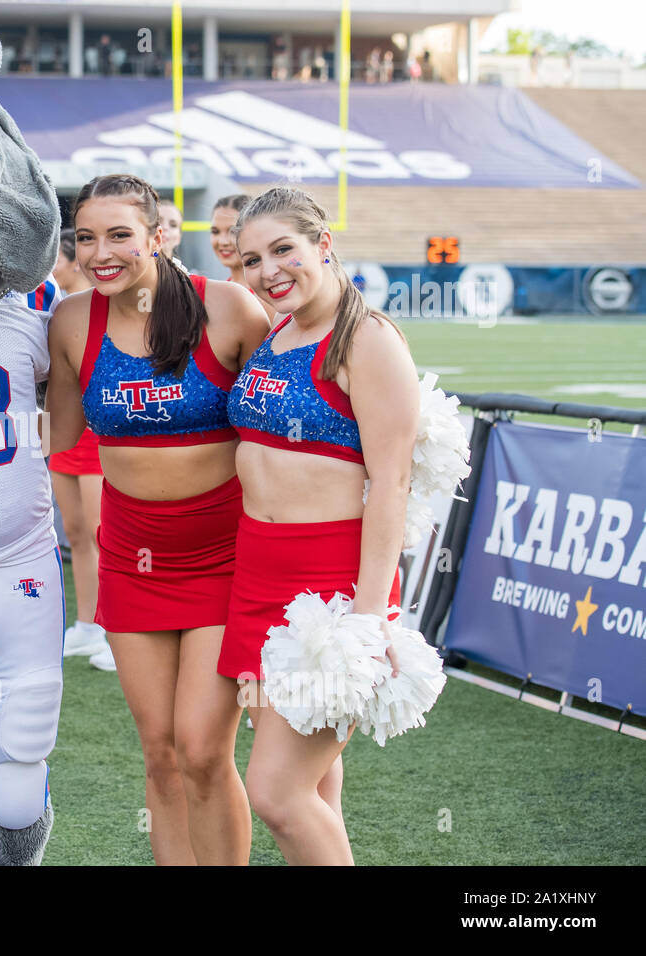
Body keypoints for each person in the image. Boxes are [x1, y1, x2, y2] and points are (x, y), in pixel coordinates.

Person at [46, 174, 270, 865]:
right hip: (133, 558)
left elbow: (283, 424)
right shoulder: (71, 320)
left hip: (226, 556)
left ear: (159, 235)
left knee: (204, 751)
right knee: (162, 753)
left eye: (119, 235)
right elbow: (57, 438)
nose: (100, 252)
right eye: (86, 238)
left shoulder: (228, 308)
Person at [222, 186, 417, 865]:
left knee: (276, 791)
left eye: (284, 250)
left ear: (323, 244)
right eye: (251, 259)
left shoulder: (368, 339)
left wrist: (368, 621)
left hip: (328, 589)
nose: (269, 271)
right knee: (316, 780)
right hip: (259, 577)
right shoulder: (280, 331)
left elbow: (391, 484)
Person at [46, 228, 108, 664]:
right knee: (75, 533)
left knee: (103, 533)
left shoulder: (100, 306)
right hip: (63, 431)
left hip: (97, 434)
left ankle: (112, 626)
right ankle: (88, 624)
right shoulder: (56, 308)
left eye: (56, 259)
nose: (50, 268)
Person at [209, 194, 255, 290]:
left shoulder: (271, 295)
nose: (222, 242)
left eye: (233, 232)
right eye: (215, 231)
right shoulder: (219, 292)